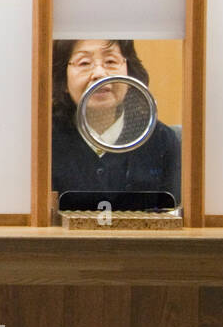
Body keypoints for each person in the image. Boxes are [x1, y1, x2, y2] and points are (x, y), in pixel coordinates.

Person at [51, 39, 180, 206]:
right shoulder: (45, 141)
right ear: (63, 79)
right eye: (84, 63)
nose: (99, 74)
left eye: (110, 61)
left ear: (129, 72)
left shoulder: (161, 139)